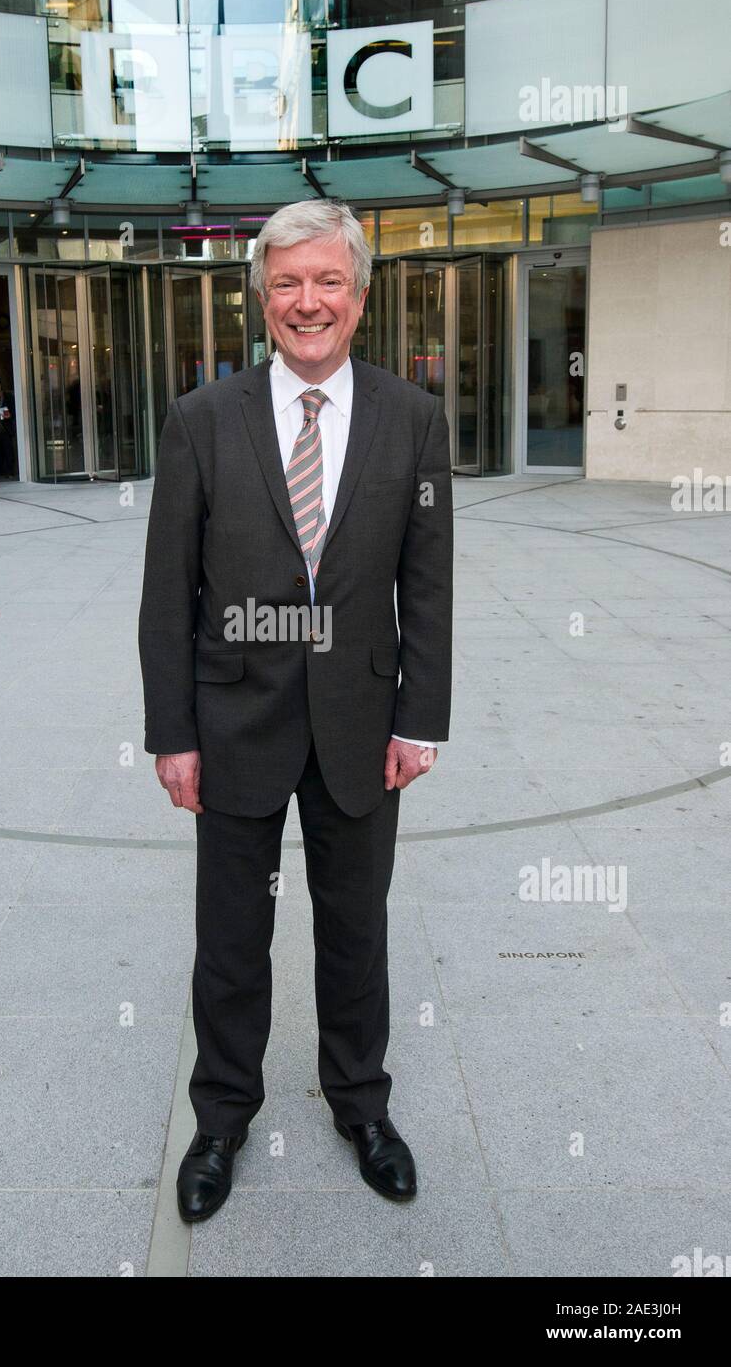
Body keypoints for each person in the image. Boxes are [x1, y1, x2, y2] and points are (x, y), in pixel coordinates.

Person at [138, 199, 453, 1223]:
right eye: (287, 283)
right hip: (235, 724)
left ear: (359, 298)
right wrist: (173, 734)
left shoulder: (414, 420)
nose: (306, 302)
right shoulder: (200, 421)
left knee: (356, 930)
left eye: (326, 282)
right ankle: (221, 1118)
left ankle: (362, 1104)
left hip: (362, 726)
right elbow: (166, 595)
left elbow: (429, 583)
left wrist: (421, 718)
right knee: (231, 938)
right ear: (261, 298)